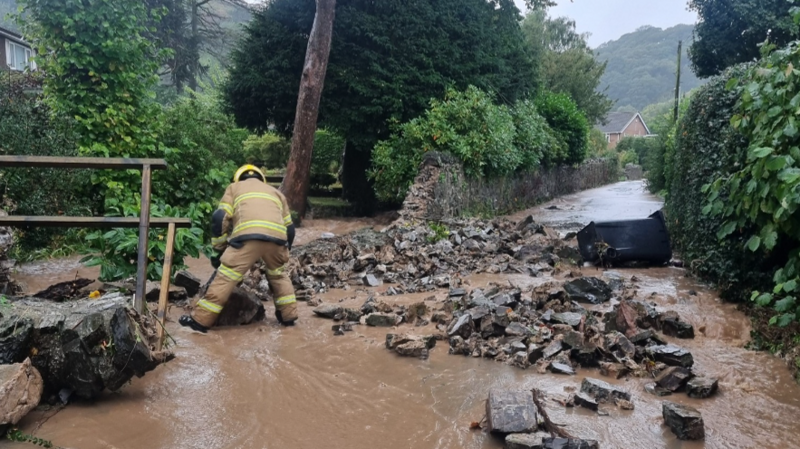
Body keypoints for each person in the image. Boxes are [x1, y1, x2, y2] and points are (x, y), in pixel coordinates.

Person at [179, 164, 298, 333]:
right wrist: (285, 250)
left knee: (226, 277)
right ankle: (288, 318)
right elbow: (290, 229)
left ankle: (200, 321)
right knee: (278, 275)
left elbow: (220, 217)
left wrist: (219, 249)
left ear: (238, 178)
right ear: (261, 179)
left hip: (247, 239)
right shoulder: (276, 193)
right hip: (277, 240)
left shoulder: (234, 188)